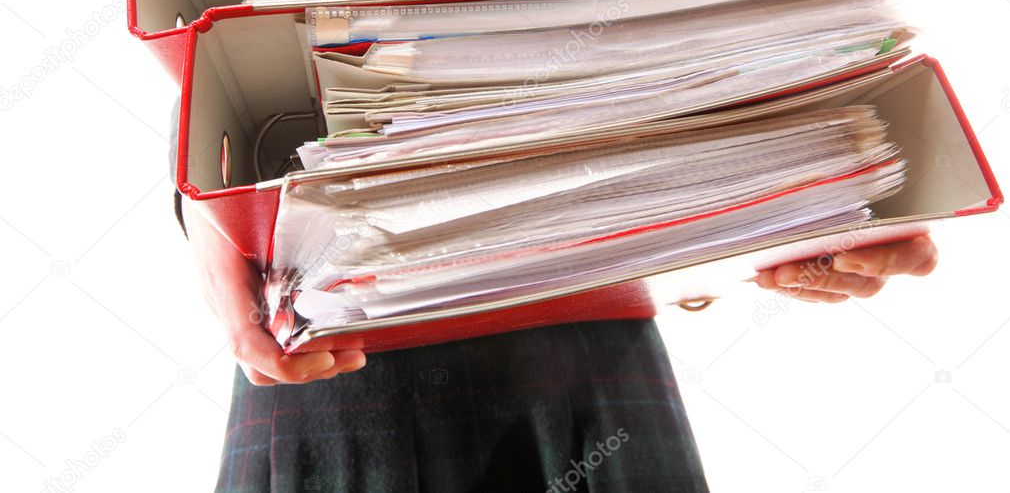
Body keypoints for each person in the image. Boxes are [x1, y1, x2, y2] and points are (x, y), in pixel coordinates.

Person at [179, 193, 937, 493]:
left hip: (577, 341)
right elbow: (219, 46)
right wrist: (218, 236)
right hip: (350, 346)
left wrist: (838, 190)